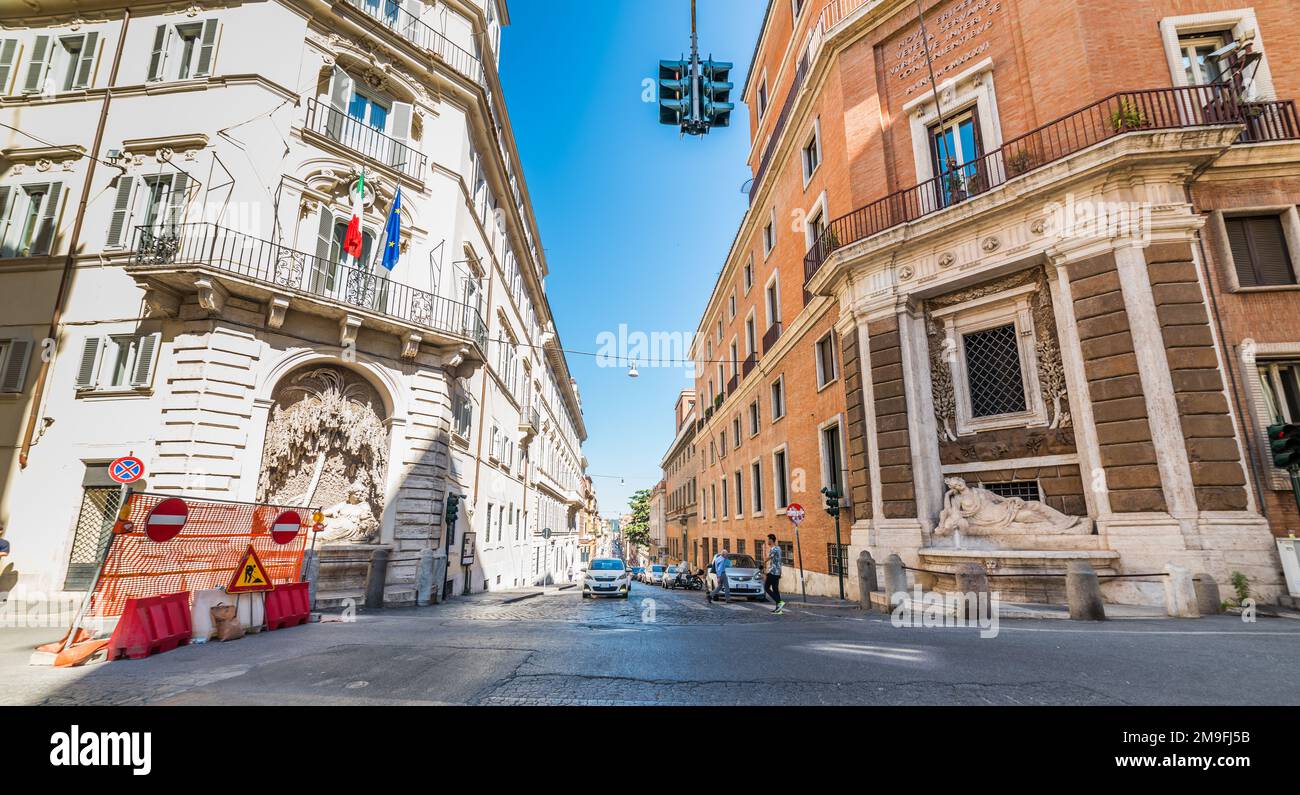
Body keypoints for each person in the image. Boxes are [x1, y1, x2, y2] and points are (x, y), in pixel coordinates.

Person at [765, 533, 786, 614]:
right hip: (778, 572)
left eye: (768, 540)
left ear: (771, 540)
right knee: (775, 590)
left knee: (766, 587)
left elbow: (770, 557)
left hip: (773, 572)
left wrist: (763, 562)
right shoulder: (779, 548)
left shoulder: (773, 549)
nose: (767, 541)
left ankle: (779, 602)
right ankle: (779, 610)